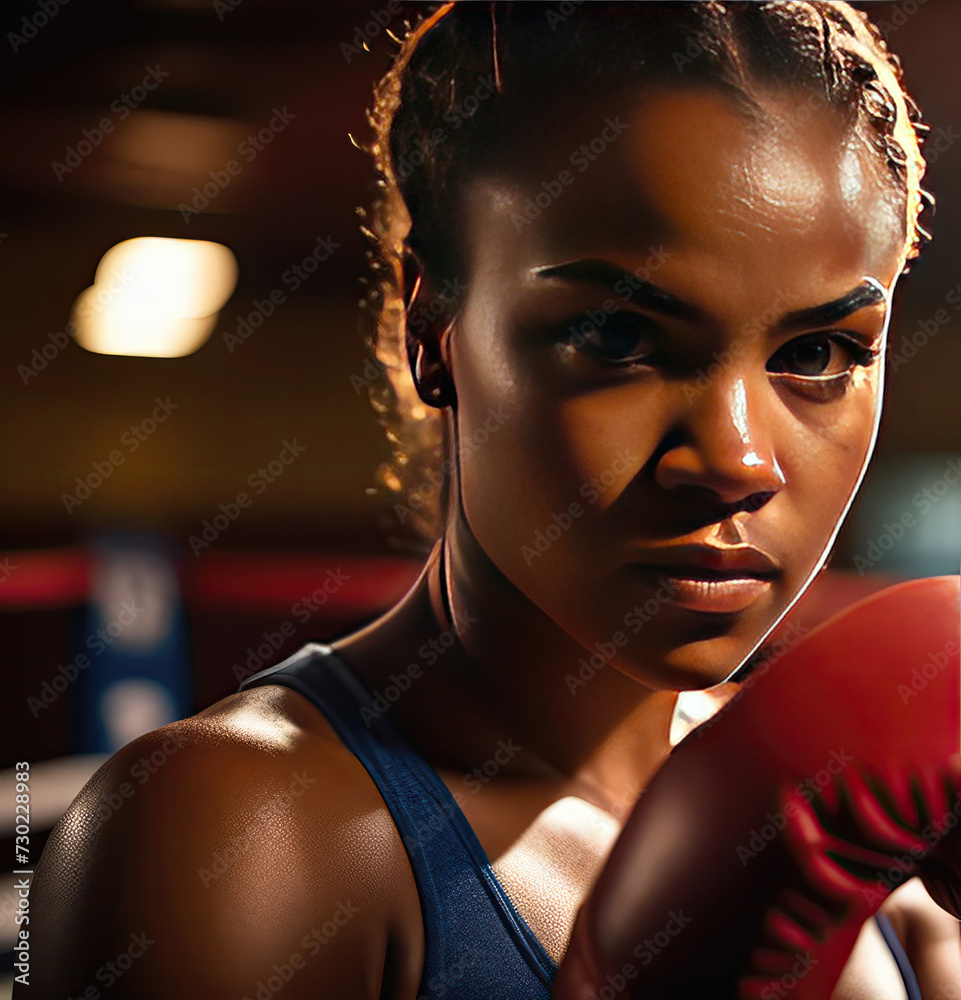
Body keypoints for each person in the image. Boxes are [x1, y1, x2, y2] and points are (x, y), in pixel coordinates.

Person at [23, 3, 960, 998]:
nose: (734, 459)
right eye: (617, 337)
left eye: (817, 353)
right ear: (432, 326)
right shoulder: (242, 840)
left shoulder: (879, 862)